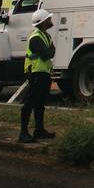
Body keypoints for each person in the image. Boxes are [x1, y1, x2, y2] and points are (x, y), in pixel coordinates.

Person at [20, 8, 56, 143]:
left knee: (40, 103)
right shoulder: (36, 37)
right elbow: (47, 54)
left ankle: (39, 130)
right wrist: (49, 51)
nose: (51, 20)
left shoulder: (46, 36)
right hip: (35, 73)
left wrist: (50, 51)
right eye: (49, 19)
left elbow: (52, 52)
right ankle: (23, 132)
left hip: (44, 73)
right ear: (44, 22)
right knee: (30, 102)